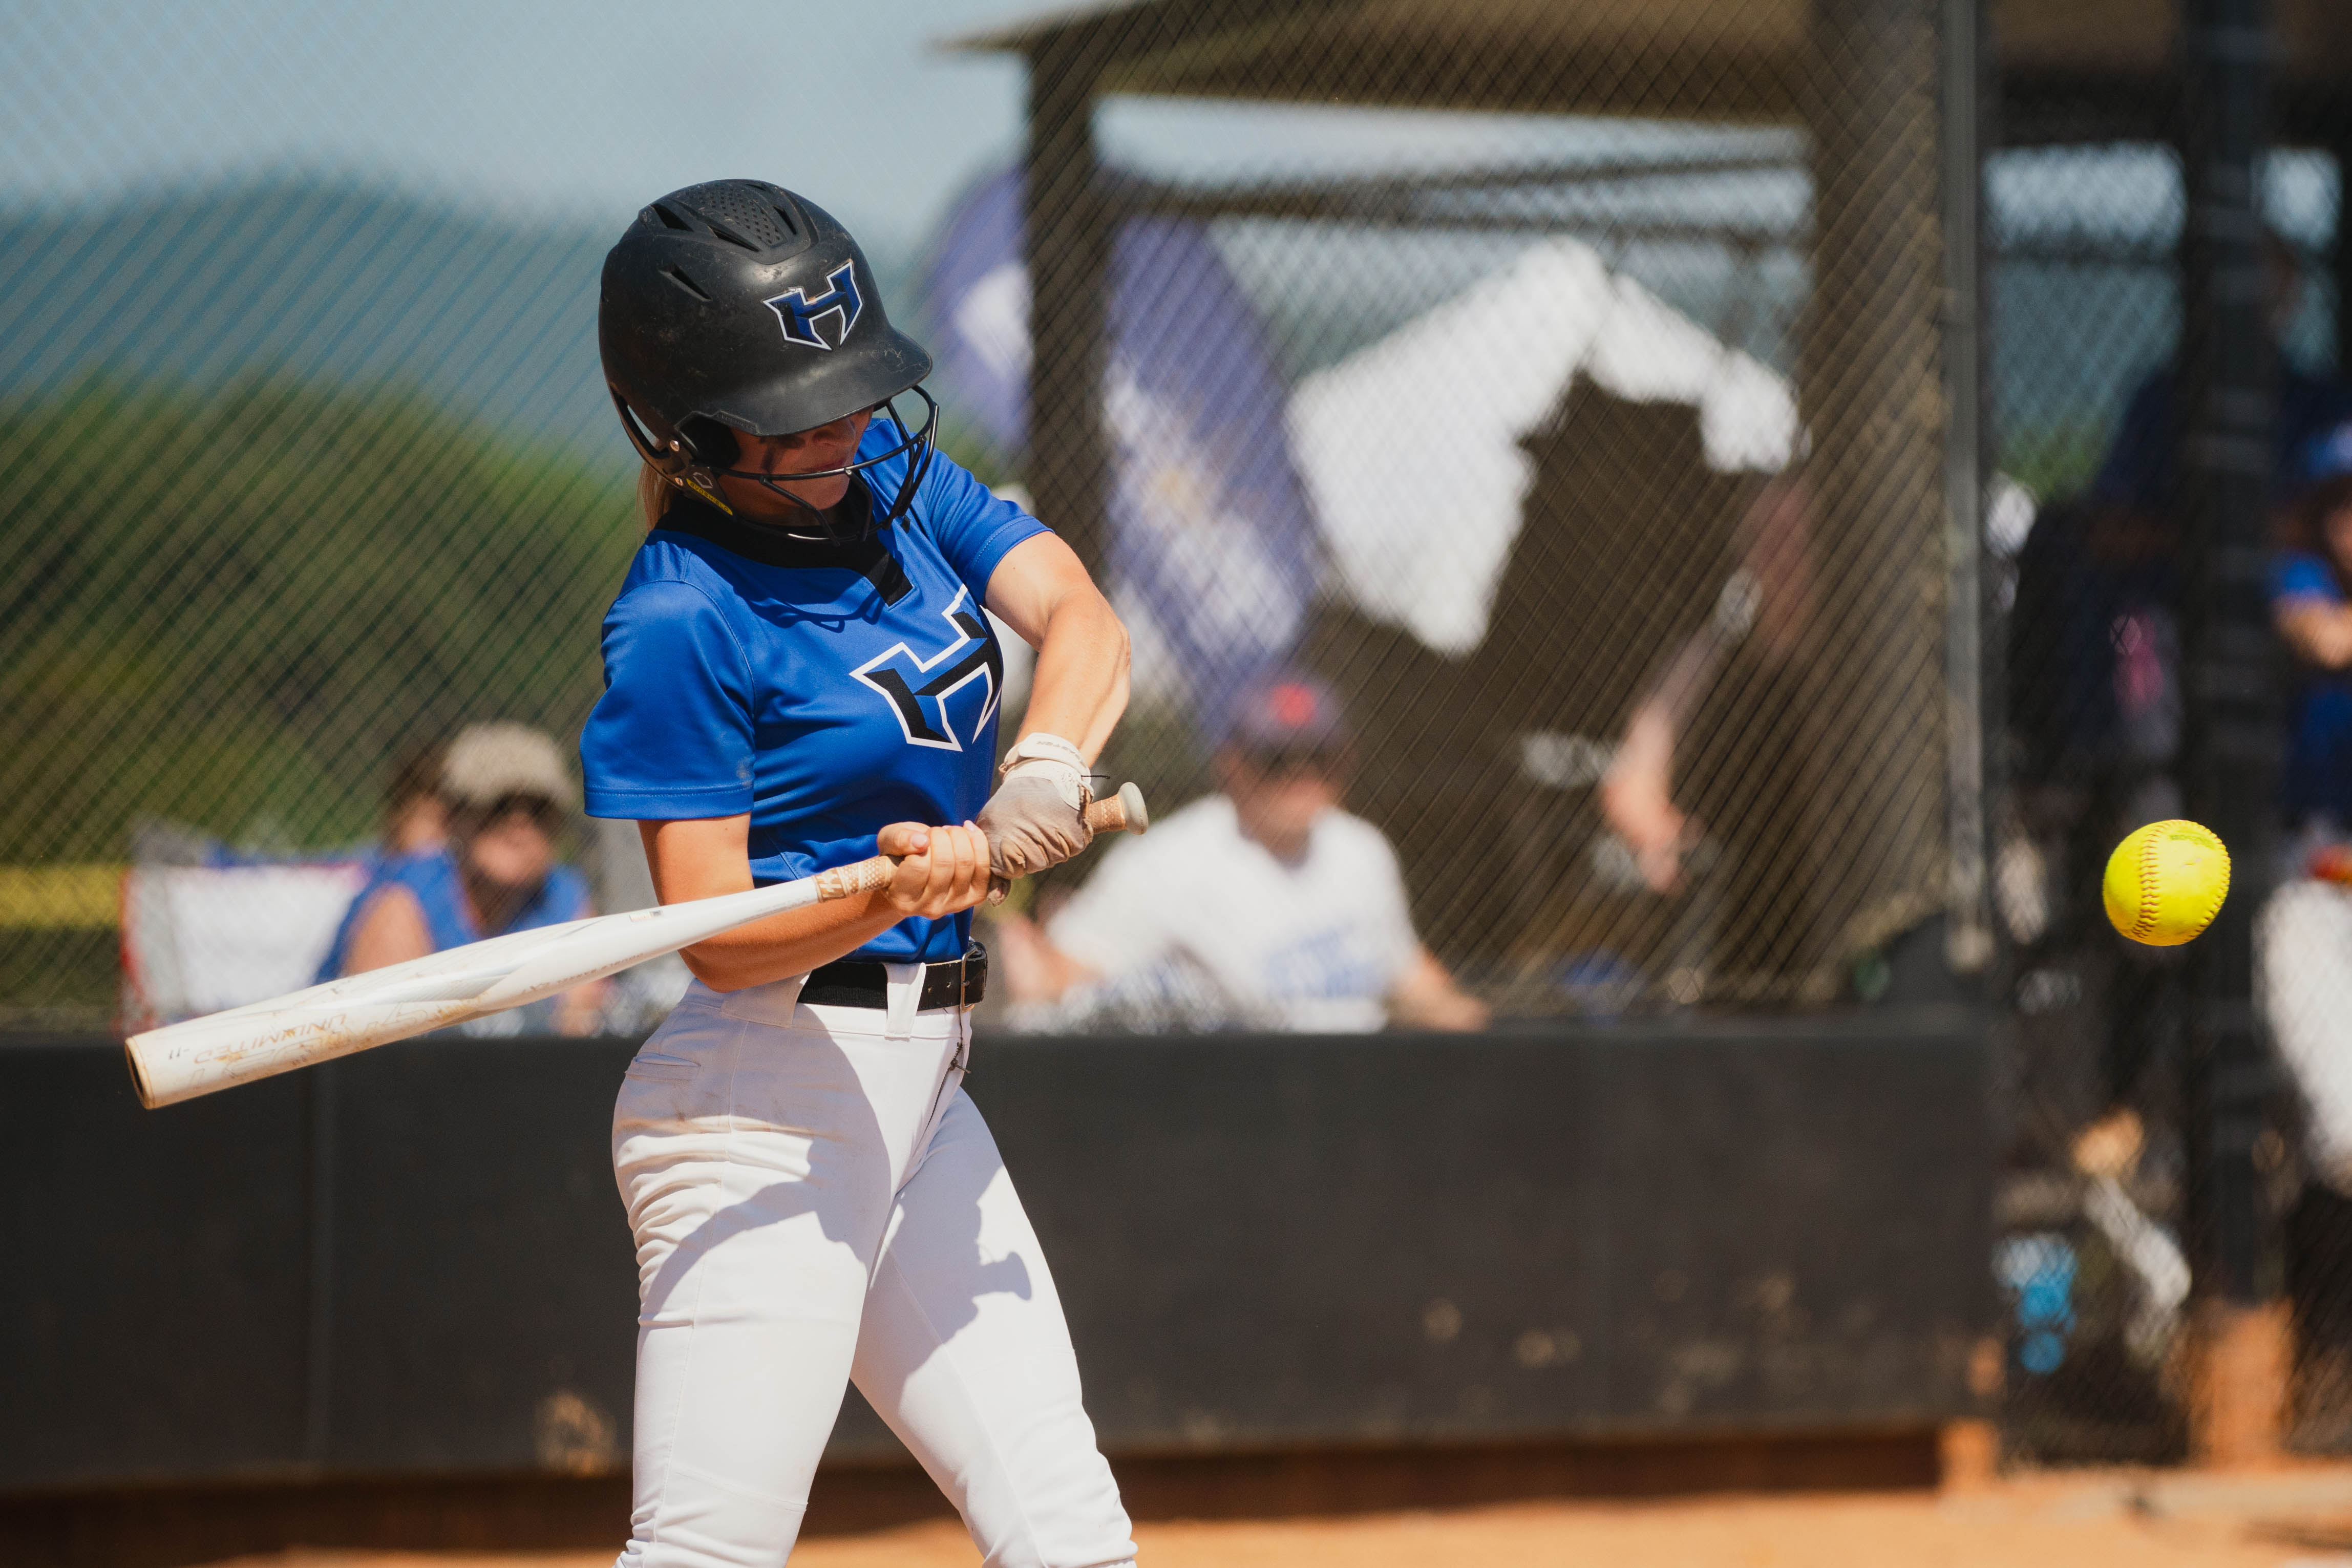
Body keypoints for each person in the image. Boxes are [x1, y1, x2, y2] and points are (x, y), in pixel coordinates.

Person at [584, 180, 1136, 1568]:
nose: (840, 430)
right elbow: (713, 930)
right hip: (759, 1103)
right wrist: (886, 886)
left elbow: (1077, 614)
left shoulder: (897, 484)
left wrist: (1044, 773)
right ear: (691, 425)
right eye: (795, 411)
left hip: (925, 1083)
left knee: (1067, 1529)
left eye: (852, 393)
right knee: (707, 1551)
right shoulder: (676, 618)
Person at [994, 671, 1487, 1033]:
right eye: (1277, 759)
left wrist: (1488, 1042)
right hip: (1241, 1109)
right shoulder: (1170, 861)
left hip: (1359, 1100)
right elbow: (1059, 979)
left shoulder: (1361, 850)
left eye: (1320, 757)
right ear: (1232, 766)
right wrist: (1005, 937)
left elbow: (1409, 977)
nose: (1302, 778)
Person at [318, 722, 603, 1035]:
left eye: (538, 809)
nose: (520, 824)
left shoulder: (563, 898)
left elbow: (581, 1031)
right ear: (454, 816)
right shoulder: (403, 902)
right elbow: (381, 1056)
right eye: (500, 805)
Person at [2259, 421, 2352, 1192]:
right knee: (2290, 930)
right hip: (2323, 870)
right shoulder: (2298, 577)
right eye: (2340, 503)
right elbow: (2321, 640)